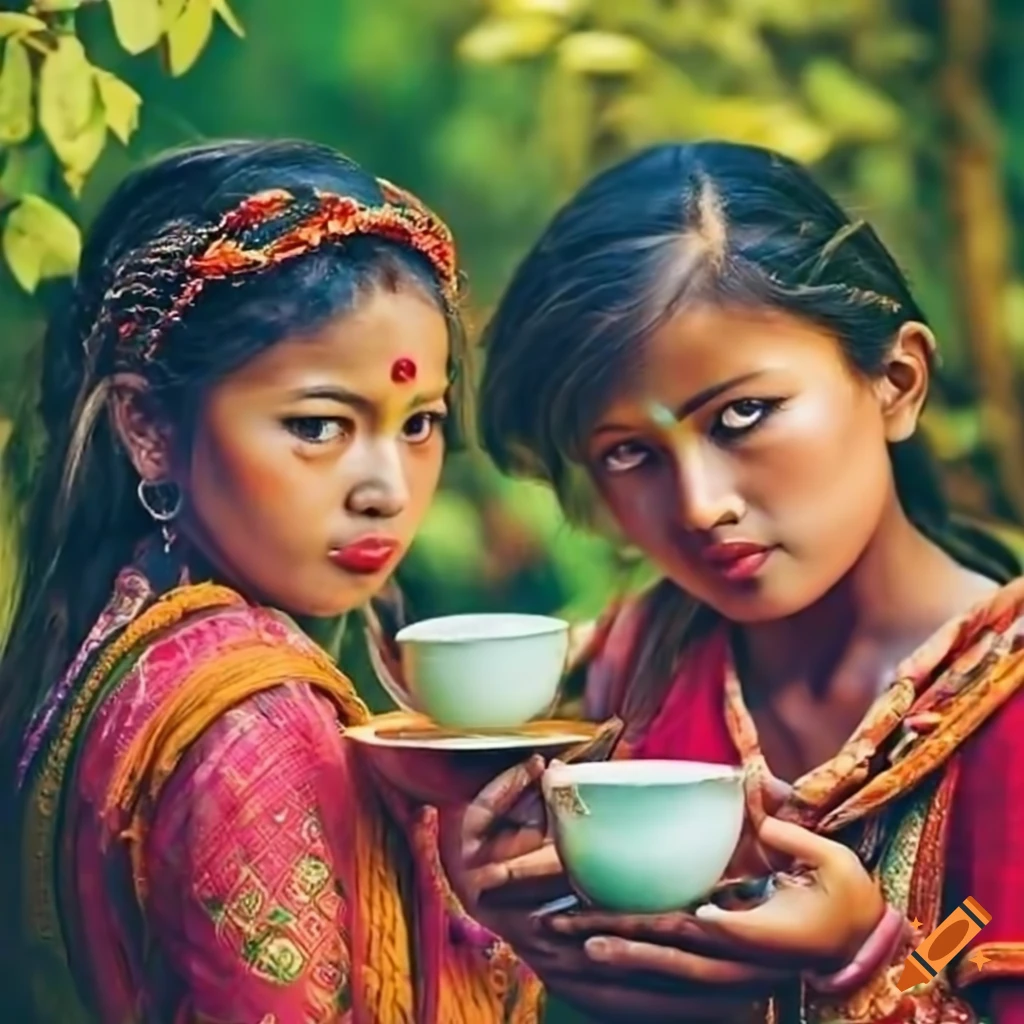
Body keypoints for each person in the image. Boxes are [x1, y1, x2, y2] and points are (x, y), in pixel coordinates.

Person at [451, 141, 1024, 1023]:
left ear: (896, 381)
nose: (700, 505)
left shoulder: (1007, 708)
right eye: (628, 454)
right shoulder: (615, 686)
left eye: (742, 415)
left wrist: (862, 964)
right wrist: (505, 937)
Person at [0, 139, 541, 1024]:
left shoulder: (111, 656)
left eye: (420, 423)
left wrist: (470, 903)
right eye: (320, 426)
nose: (388, 489)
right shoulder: (259, 724)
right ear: (149, 426)